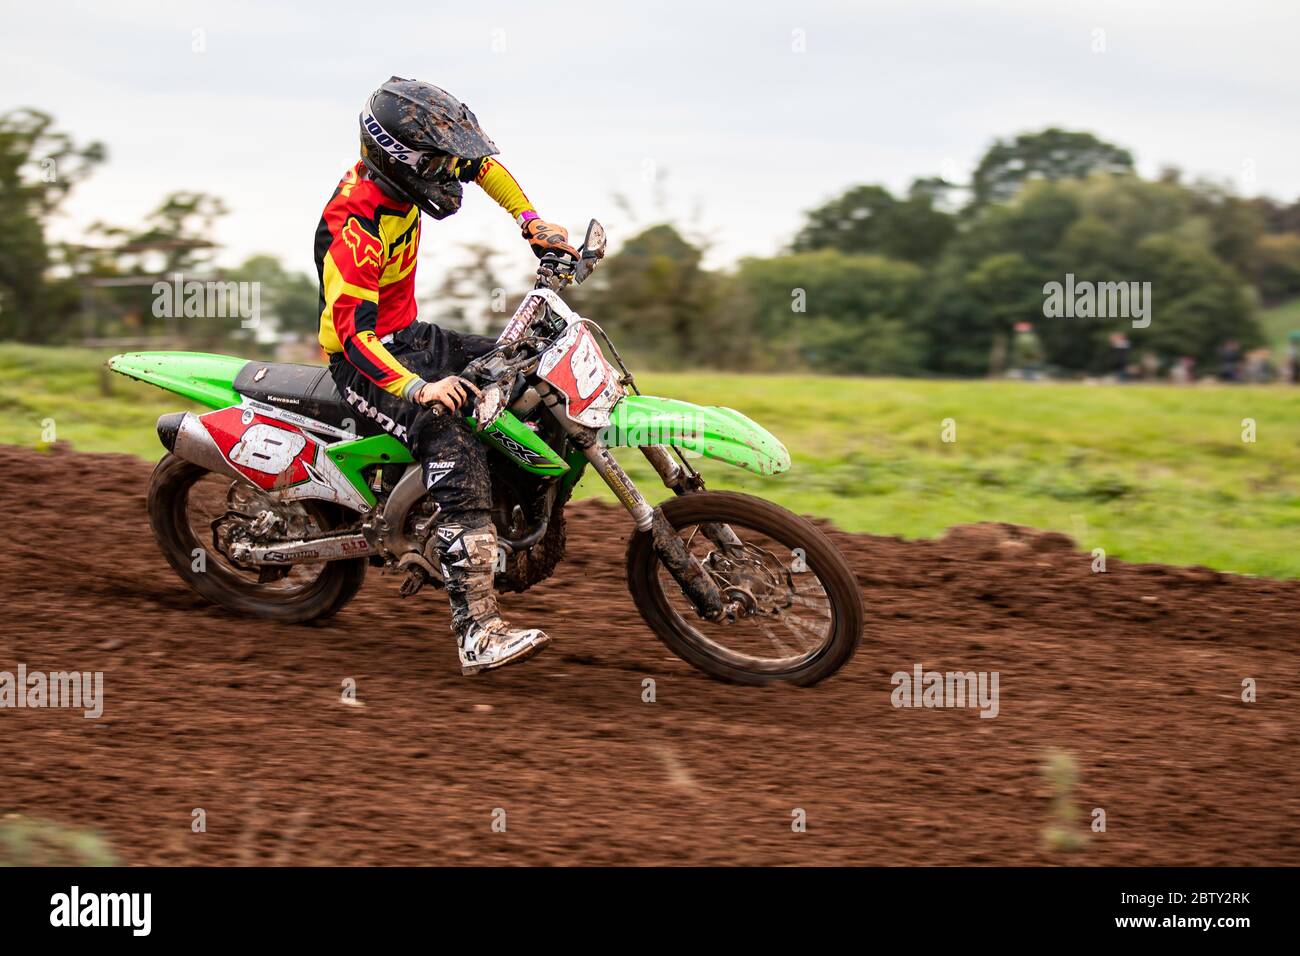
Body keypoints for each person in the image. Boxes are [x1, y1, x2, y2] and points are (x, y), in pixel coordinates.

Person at [315, 77, 576, 675]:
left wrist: (530, 221)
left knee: (535, 369)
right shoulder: (354, 224)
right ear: (400, 160)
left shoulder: (408, 175)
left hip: (412, 335)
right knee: (453, 440)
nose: (450, 172)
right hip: (370, 363)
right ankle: (476, 631)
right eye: (436, 163)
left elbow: (482, 166)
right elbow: (354, 334)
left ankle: (524, 524)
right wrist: (419, 388)